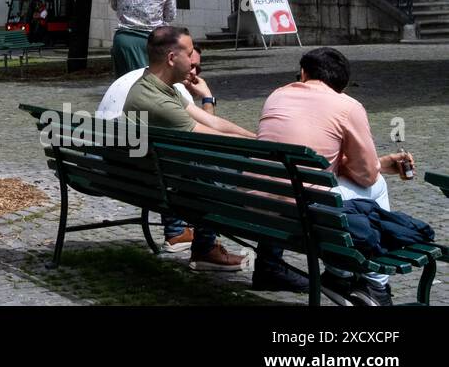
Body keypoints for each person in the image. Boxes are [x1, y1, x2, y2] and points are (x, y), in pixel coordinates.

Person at [255, 48, 415, 305]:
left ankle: (339, 275)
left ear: (304, 73)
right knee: (378, 186)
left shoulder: (277, 95)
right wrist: (377, 167)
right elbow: (366, 176)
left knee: (334, 192)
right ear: (342, 84)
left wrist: (377, 164)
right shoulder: (347, 106)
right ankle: (376, 284)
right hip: (302, 211)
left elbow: (314, 154)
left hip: (259, 205)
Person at [101, 37, 253, 253]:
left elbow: (212, 123)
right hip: (155, 182)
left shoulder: (153, 84)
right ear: (172, 58)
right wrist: (264, 149)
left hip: (134, 172)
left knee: (192, 165)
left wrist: (255, 137)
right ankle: (205, 249)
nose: (194, 68)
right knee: (210, 169)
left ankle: (198, 244)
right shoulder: (159, 100)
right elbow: (212, 138)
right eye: (190, 58)